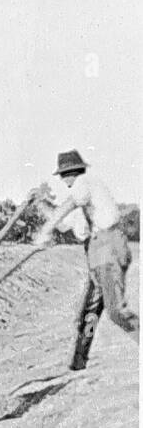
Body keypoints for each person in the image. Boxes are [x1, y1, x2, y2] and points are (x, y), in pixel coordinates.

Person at [32, 150, 138, 369]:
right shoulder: (86, 200)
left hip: (108, 247)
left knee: (116, 311)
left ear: (69, 173)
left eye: (63, 175)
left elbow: (67, 208)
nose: (63, 180)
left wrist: (45, 230)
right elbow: (68, 224)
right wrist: (40, 204)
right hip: (97, 251)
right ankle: (77, 365)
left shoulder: (84, 182)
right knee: (88, 312)